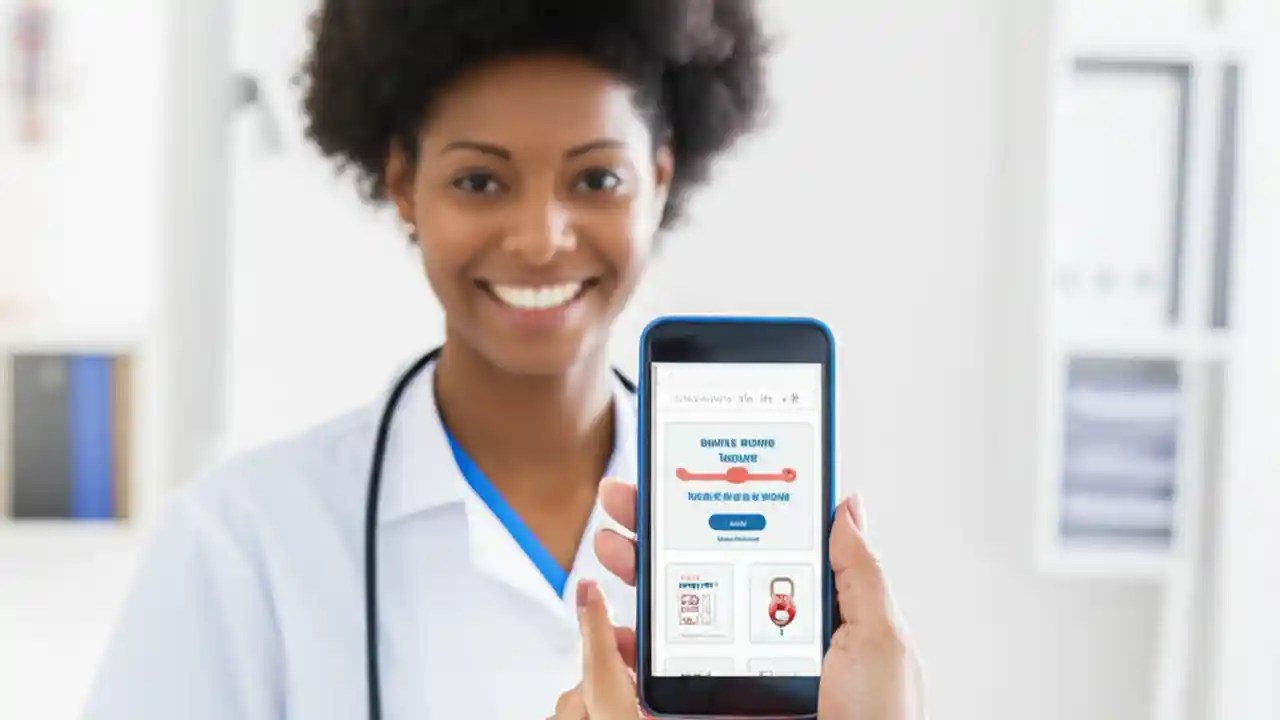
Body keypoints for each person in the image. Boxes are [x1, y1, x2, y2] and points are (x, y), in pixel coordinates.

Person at [84, 1, 923, 718]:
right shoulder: (239, 544)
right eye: (481, 183)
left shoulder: (782, 552)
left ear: (660, 179)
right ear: (403, 183)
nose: (540, 239)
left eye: (596, 180)